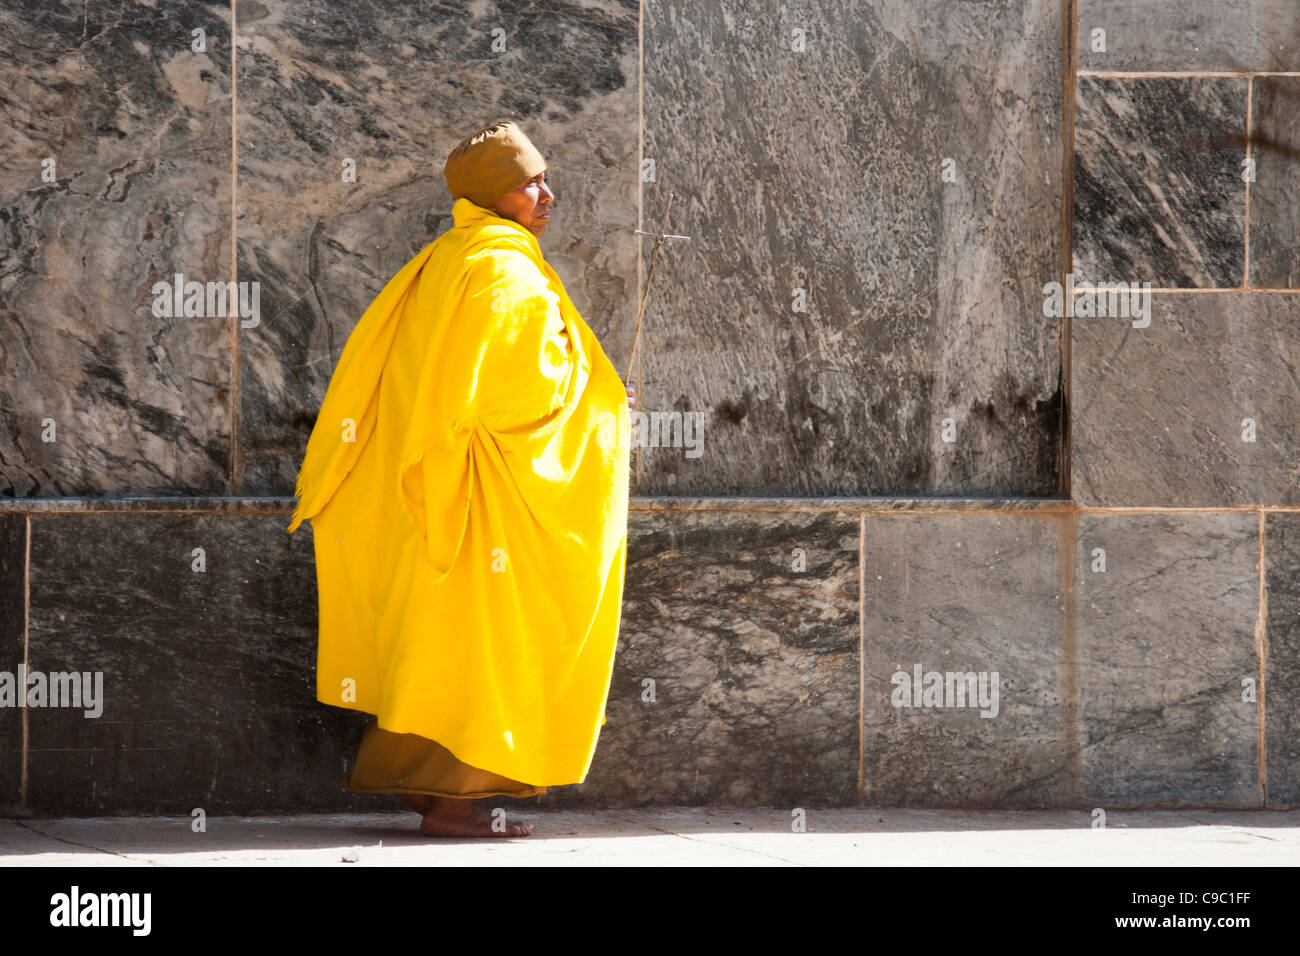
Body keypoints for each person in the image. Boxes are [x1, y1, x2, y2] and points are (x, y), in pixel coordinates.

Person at [288, 120, 633, 837]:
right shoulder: (503, 269)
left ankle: (422, 787)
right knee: (483, 646)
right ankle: (454, 805)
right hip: (485, 503)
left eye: (543, 180)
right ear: (492, 194)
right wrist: (600, 396)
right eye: (530, 183)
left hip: (441, 493)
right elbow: (516, 395)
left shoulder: (447, 258)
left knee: (438, 643)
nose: (547, 195)